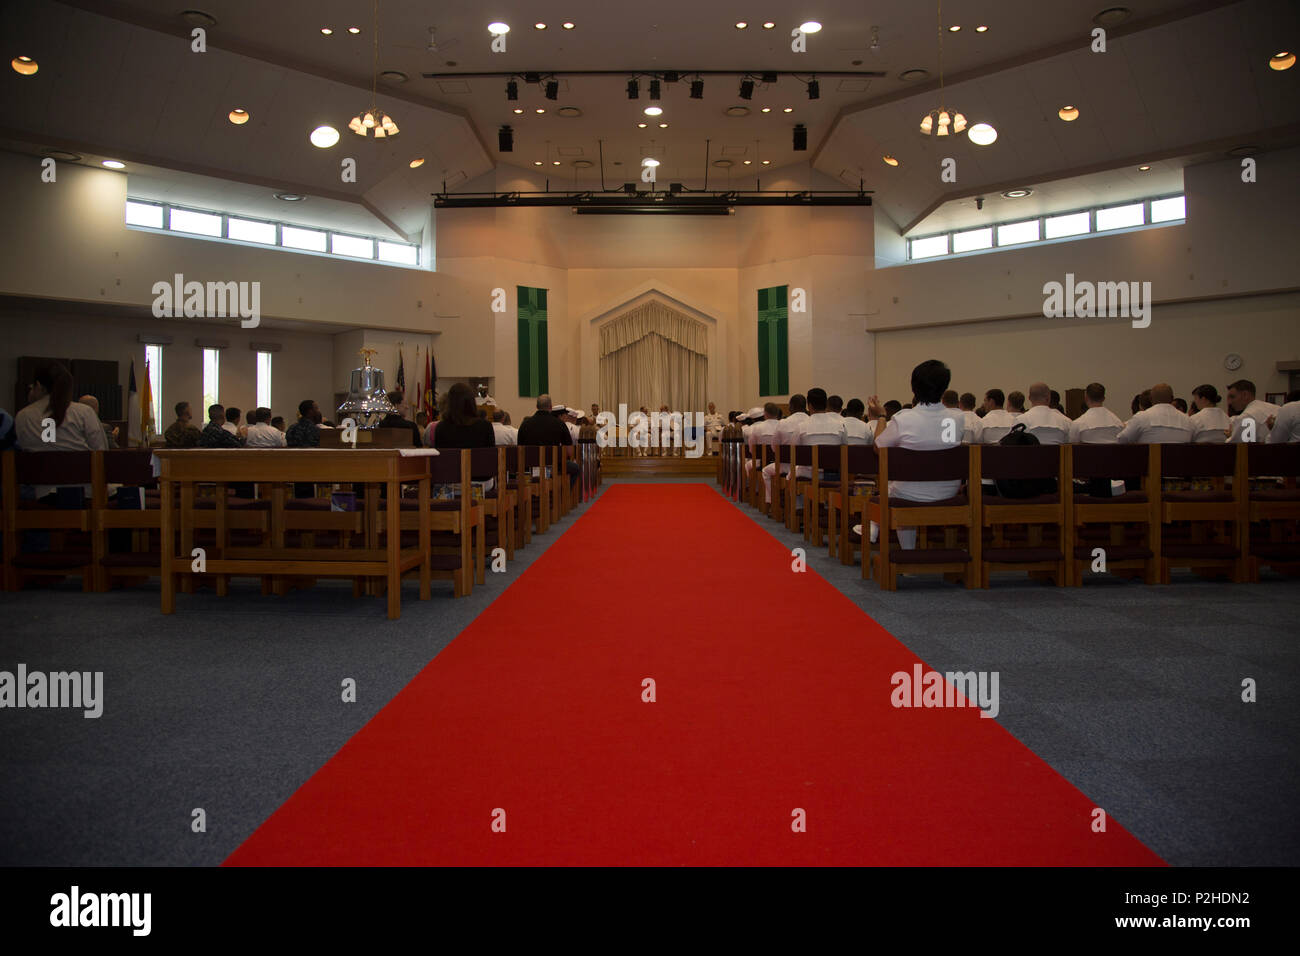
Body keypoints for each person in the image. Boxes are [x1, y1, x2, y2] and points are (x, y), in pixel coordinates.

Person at [867, 359, 963, 550]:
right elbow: (946, 444)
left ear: (913, 387)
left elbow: (879, 448)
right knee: (901, 485)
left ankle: (899, 547)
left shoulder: (904, 419)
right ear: (944, 388)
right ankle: (874, 527)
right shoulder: (956, 419)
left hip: (909, 493)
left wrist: (881, 416)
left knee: (896, 487)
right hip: (947, 490)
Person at [15, 363, 107, 453]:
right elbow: (101, 451)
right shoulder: (84, 412)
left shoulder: (23, 416)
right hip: (79, 467)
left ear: (38, 385)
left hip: (36, 468)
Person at [518, 394, 580, 490]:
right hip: (553, 465)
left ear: (537, 407)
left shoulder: (525, 424)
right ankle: (562, 495)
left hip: (529, 466)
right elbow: (569, 451)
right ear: (550, 407)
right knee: (575, 468)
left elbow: (520, 449)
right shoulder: (559, 424)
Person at [762, 393, 809, 503]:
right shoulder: (810, 421)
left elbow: (774, 448)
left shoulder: (783, 423)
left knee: (765, 471)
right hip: (810, 467)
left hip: (787, 465)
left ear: (791, 407)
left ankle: (772, 502)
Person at [1117, 383, 1194, 443]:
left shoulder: (1142, 417)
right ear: (1172, 398)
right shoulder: (1188, 420)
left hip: (1151, 462)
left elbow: (1122, 440)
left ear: (1151, 399)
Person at [434, 383, 495, 449]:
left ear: (450, 402)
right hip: (479, 459)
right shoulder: (485, 426)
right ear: (472, 401)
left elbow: (441, 455)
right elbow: (491, 455)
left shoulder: (441, 428)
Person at [1226, 379, 1279, 443]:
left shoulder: (1246, 417)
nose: (1229, 402)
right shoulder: (1277, 408)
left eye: (1232, 397)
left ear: (1245, 395)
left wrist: (1230, 437)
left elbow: (1238, 446)